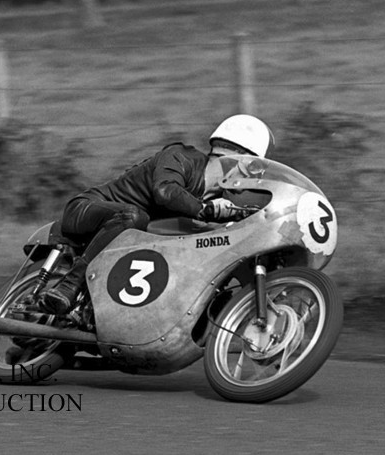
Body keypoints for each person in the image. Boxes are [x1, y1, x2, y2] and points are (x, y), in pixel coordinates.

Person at [25, 114, 274, 329]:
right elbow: (165, 191)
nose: (254, 176)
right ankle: (69, 285)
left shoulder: (217, 197)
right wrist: (208, 211)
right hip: (86, 209)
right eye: (254, 167)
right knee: (133, 215)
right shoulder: (180, 156)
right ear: (239, 159)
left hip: (130, 240)